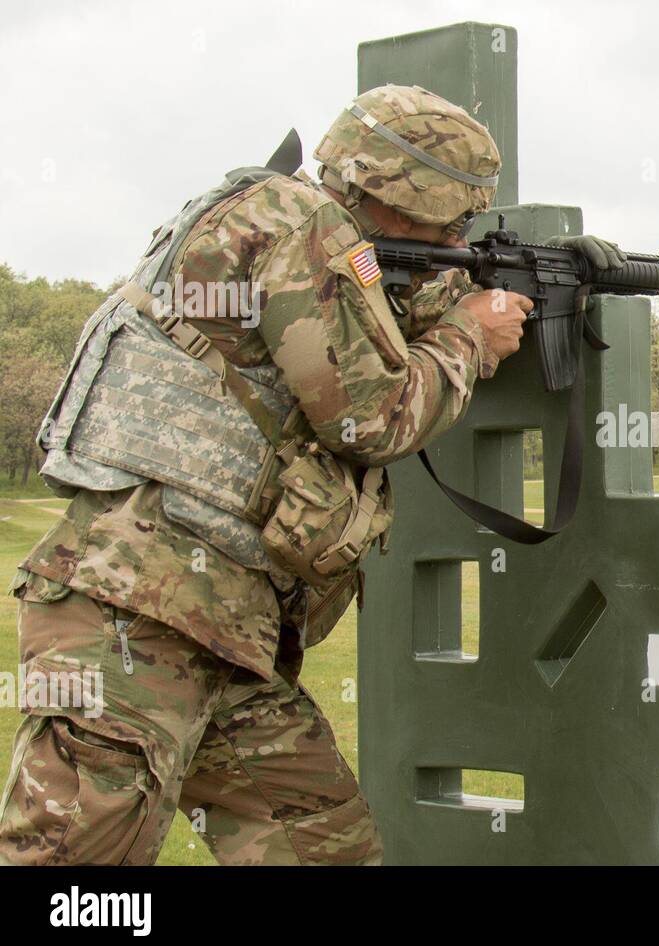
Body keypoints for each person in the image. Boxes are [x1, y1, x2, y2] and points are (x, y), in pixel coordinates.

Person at [0, 84, 623, 865]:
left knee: (322, 850)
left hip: (224, 634)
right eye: (450, 215)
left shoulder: (298, 226)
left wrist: (537, 279)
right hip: (134, 619)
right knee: (69, 874)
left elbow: (374, 315)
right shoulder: (302, 226)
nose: (455, 232)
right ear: (400, 193)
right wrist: (472, 335)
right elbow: (373, 417)